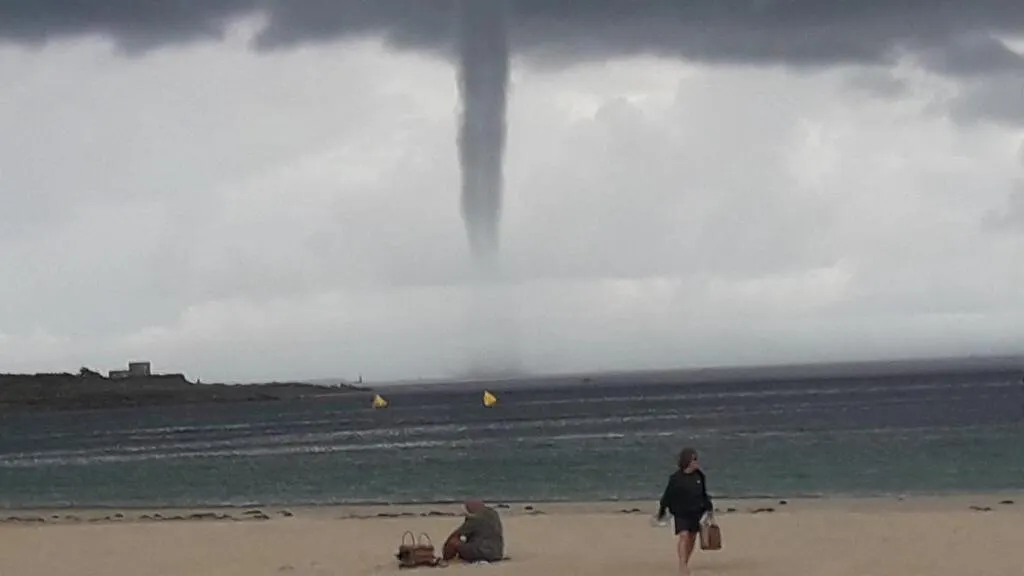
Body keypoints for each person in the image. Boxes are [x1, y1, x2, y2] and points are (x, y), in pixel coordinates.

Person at [655, 447, 714, 575]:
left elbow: (704, 494)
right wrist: (661, 511)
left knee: (692, 538)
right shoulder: (676, 478)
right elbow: (667, 496)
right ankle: (682, 565)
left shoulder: (700, 476)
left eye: (697, 459)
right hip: (681, 513)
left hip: (696, 512)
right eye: (694, 459)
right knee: (684, 536)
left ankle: (685, 561)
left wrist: (709, 509)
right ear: (687, 461)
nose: (697, 462)